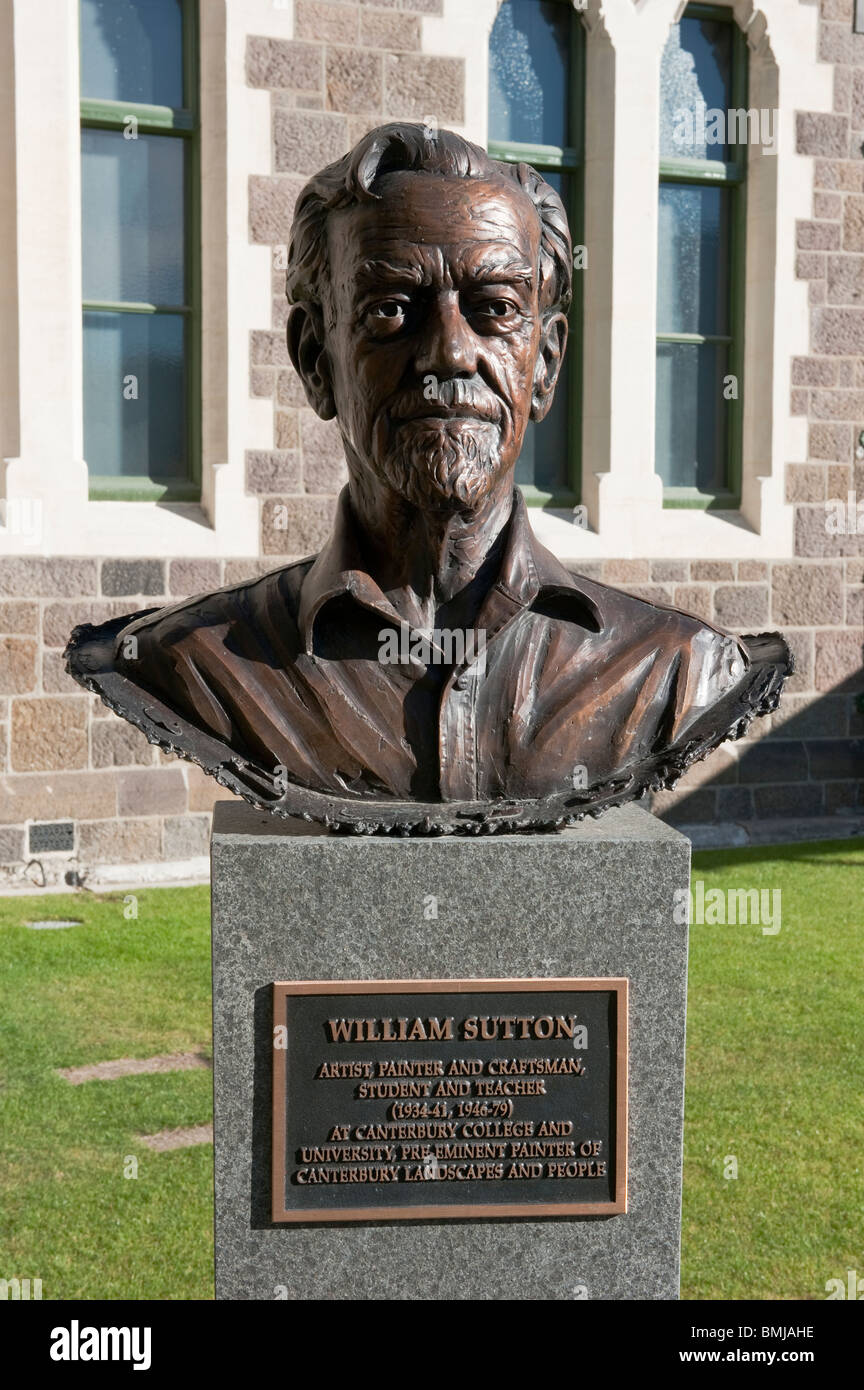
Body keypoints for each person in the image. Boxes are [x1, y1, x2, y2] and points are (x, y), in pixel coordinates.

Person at [66, 123, 790, 830]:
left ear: (543, 366)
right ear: (316, 359)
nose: (449, 351)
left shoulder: (673, 670)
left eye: (496, 309)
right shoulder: (194, 662)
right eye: (392, 309)